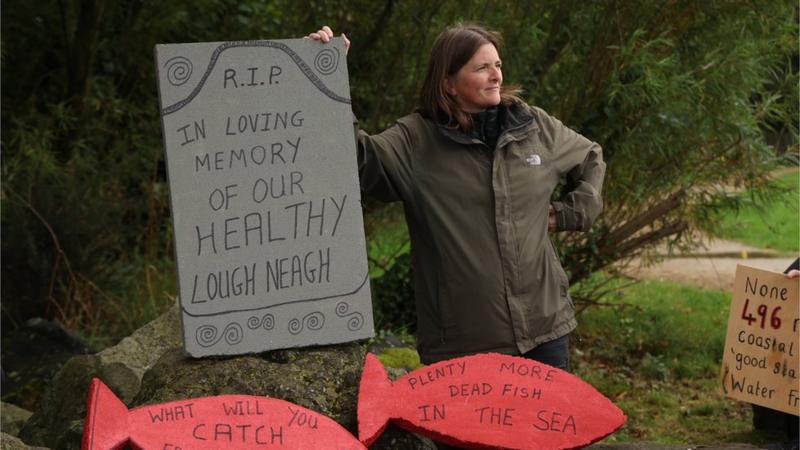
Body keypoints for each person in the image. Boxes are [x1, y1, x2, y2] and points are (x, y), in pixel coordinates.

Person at [309, 25, 605, 371]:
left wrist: (572, 212)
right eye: (482, 68)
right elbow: (356, 160)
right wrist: (321, 79)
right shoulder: (416, 140)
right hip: (464, 347)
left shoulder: (532, 126)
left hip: (546, 332)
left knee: (546, 428)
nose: (496, 76)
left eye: (497, 65)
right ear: (448, 82)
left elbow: (590, 157)